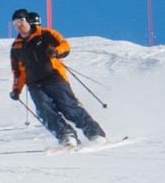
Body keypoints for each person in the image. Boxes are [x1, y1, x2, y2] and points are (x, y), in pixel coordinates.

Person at [8, 9, 106, 147]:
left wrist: (56, 51)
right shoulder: (16, 47)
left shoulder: (45, 34)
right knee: (44, 111)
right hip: (34, 84)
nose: (18, 25)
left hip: (54, 77)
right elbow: (18, 72)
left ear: (28, 21)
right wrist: (16, 90)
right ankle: (66, 135)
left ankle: (94, 133)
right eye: (15, 23)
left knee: (69, 107)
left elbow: (64, 44)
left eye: (21, 21)